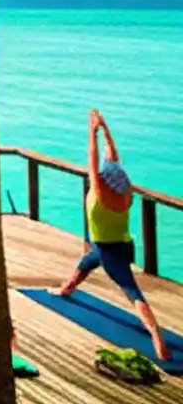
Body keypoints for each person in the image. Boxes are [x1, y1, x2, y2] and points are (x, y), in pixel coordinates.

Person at [58, 109, 170, 361]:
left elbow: (93, 156)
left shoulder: (99, 193)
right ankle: (67, 288)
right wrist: (105, 128)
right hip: (121, 245)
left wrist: (91, 132)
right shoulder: (124, 194)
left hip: (110, 251)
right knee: (88, 261)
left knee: (131, 291)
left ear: (105, 180)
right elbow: (112, 156)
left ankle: (156, 335)